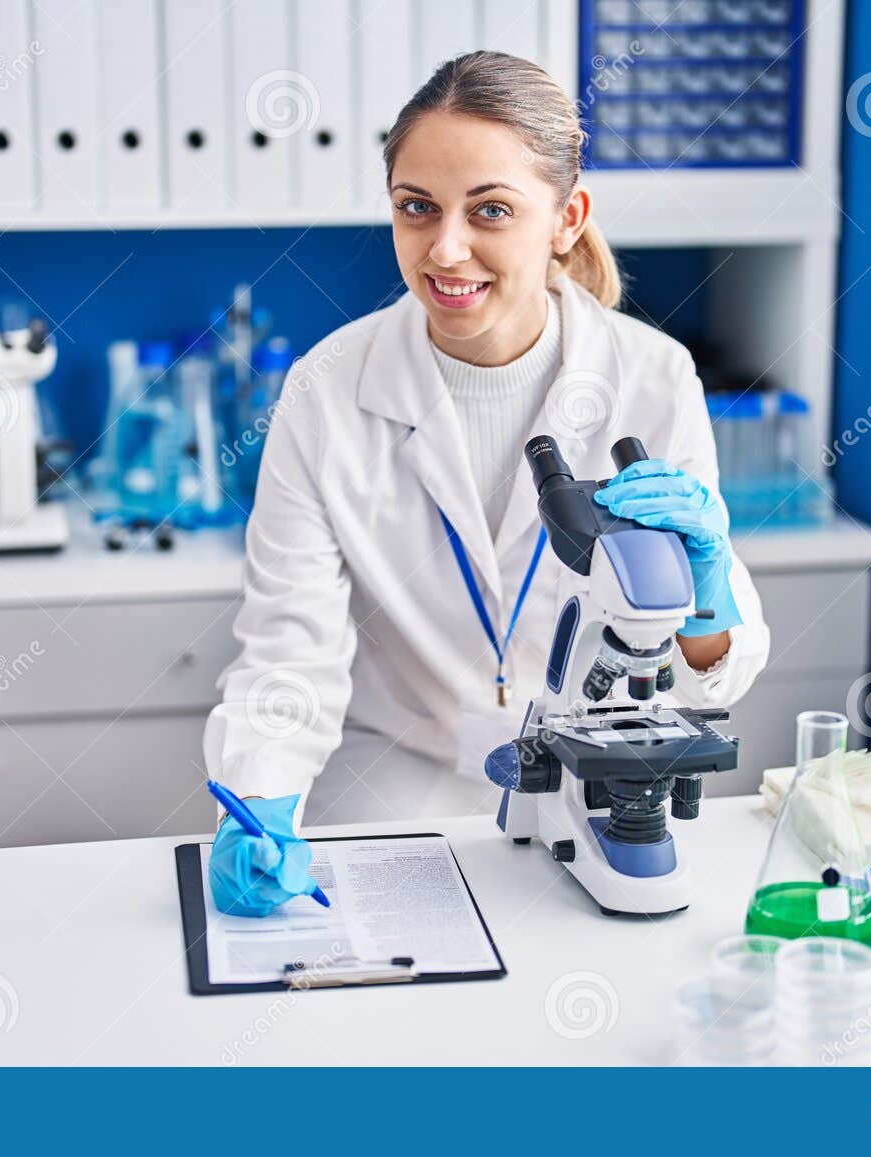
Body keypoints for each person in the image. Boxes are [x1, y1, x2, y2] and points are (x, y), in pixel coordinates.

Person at [202, 51, 770, 917]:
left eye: (491, 210)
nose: (445, 248)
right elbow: (289, 649)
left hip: (595, 777)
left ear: (567, 219)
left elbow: (706, 680)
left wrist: (706, 597)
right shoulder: (326, 390)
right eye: (416, 207)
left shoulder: (652, 378)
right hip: (392, 786)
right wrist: (259, 798)